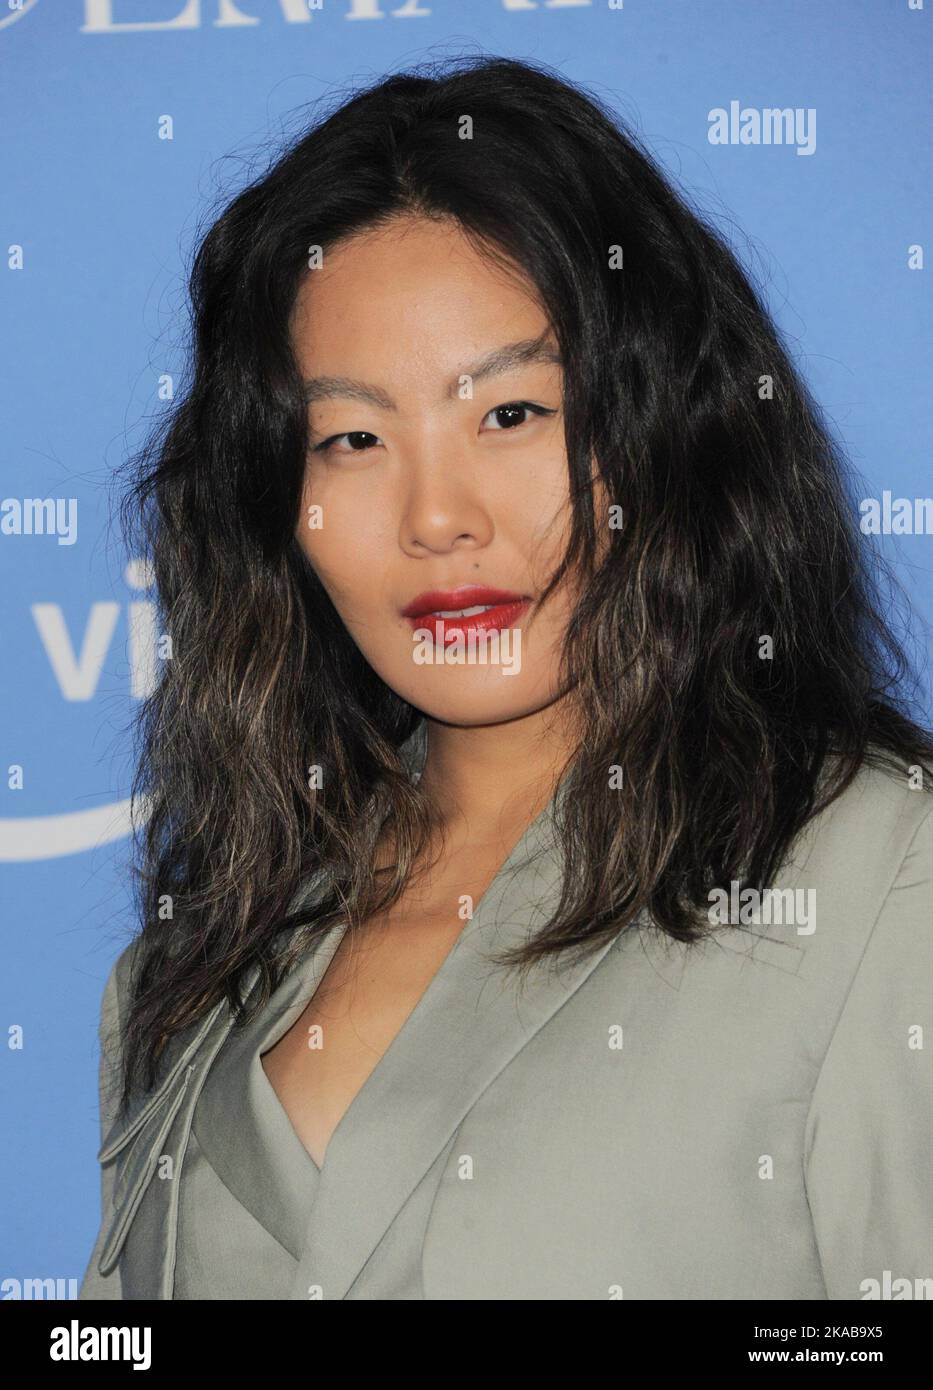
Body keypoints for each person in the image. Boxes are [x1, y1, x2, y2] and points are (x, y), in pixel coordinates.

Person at [78, 54, 933, 1301]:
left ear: (658, 427)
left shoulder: (871, 880)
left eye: (512, 415)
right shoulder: (192, 967)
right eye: (355, 438)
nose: (438, 517)